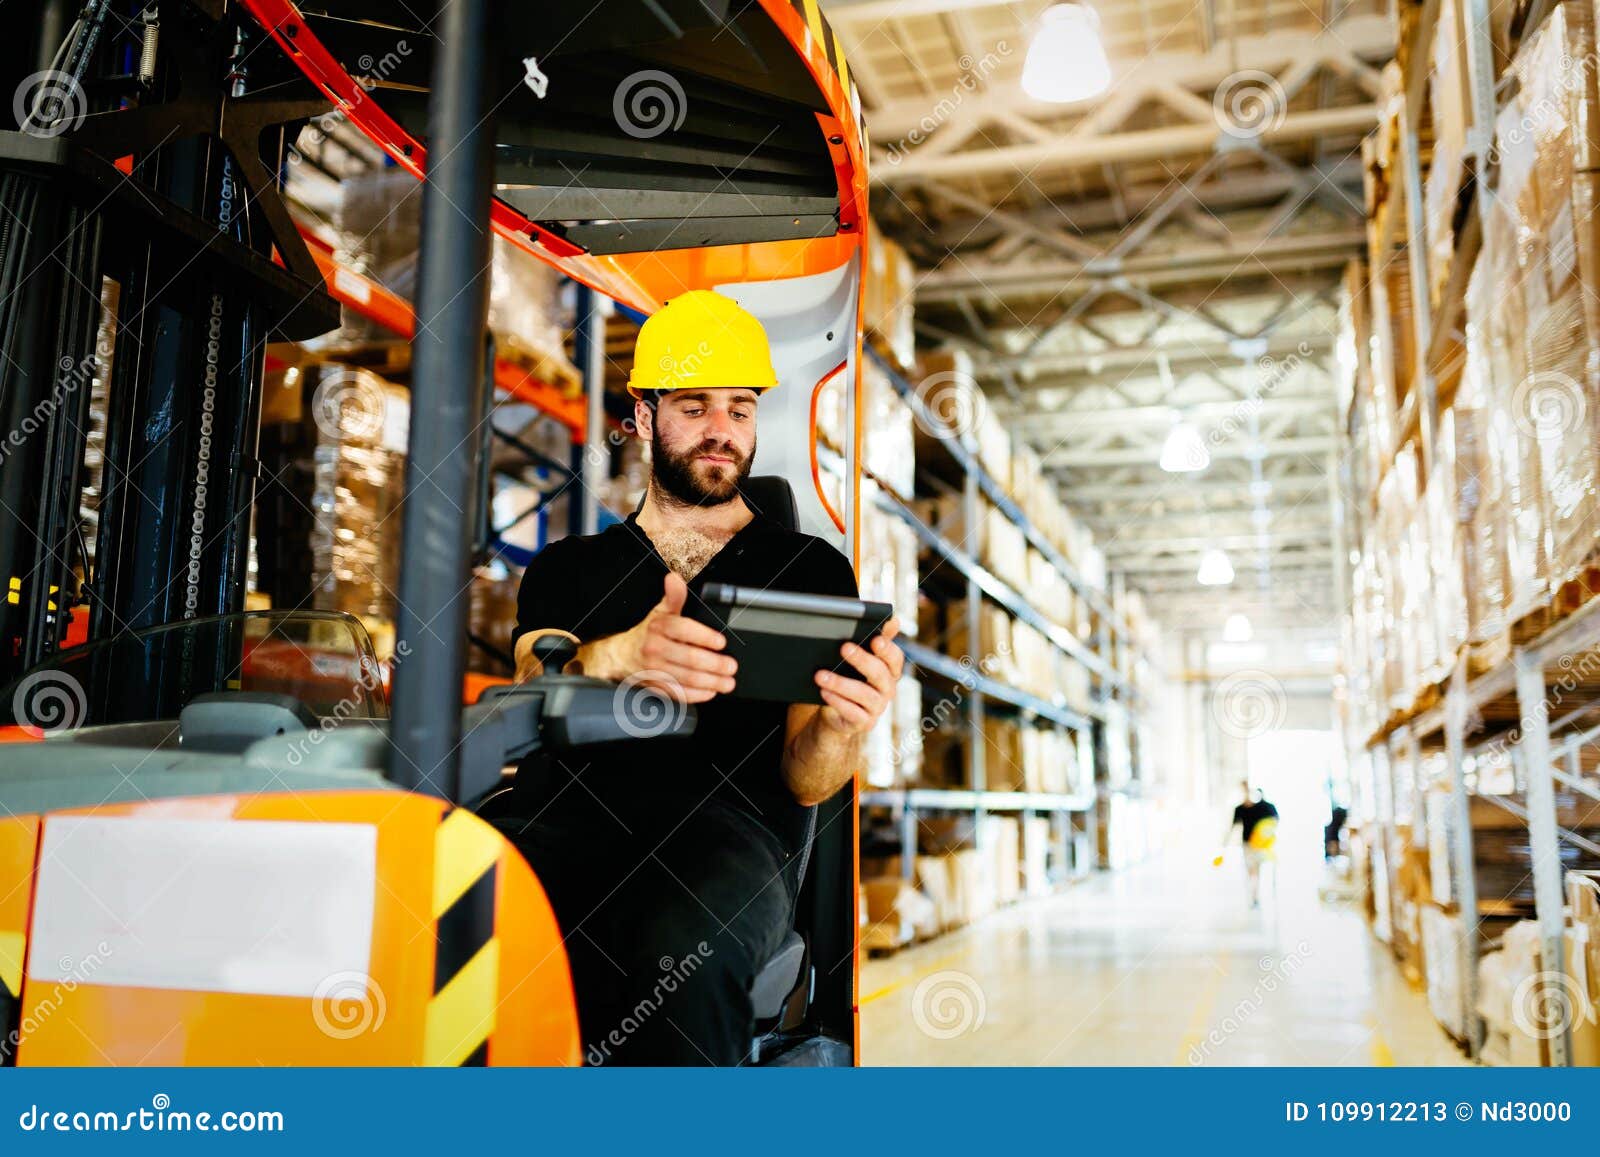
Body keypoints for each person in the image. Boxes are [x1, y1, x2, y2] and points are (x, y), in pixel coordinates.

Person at [499, 290, 904, 1065]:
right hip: (567, 821)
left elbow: (809, 779)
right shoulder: (570, 567)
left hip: (726, 838)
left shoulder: (809, 570)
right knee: (443, 909)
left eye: (741, 409)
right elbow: (531, 675)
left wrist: (844, 726)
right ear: (645, 417)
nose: (724, 430)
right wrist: (623, 655)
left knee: (679, 947)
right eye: (695, 406)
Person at [1224, 782, 1279, 908]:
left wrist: (1265, 834)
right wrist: (1225, 844)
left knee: (1257, 870)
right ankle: (1254, 897)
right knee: (1252, 871)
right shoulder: (1239, 809)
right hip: (1247, 845)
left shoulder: (1264, 807)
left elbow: (1274, 820)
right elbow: (1233, 827)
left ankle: (1258, 895)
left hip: (1262, 846)